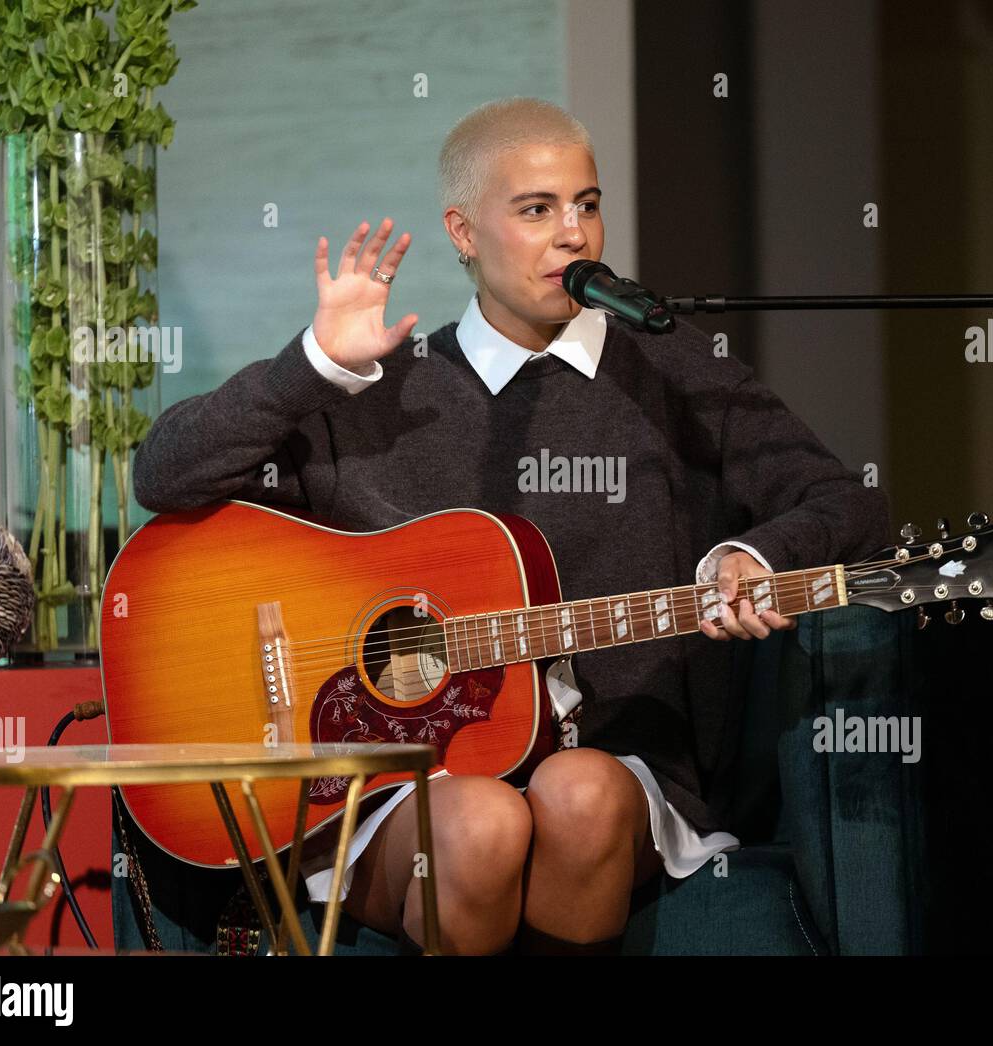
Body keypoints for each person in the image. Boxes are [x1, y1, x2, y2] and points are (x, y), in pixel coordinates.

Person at [132, 96, 890, 955]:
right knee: (483, 821)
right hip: (406, 778)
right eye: (537, 210)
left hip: (617, 766)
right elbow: (163, 474)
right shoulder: (381, 389)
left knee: (577, 795)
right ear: (463, 233)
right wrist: (309, 366)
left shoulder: (678, 372)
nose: (574, 235)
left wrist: (753, 554)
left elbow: (850, 502)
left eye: (588, 204)